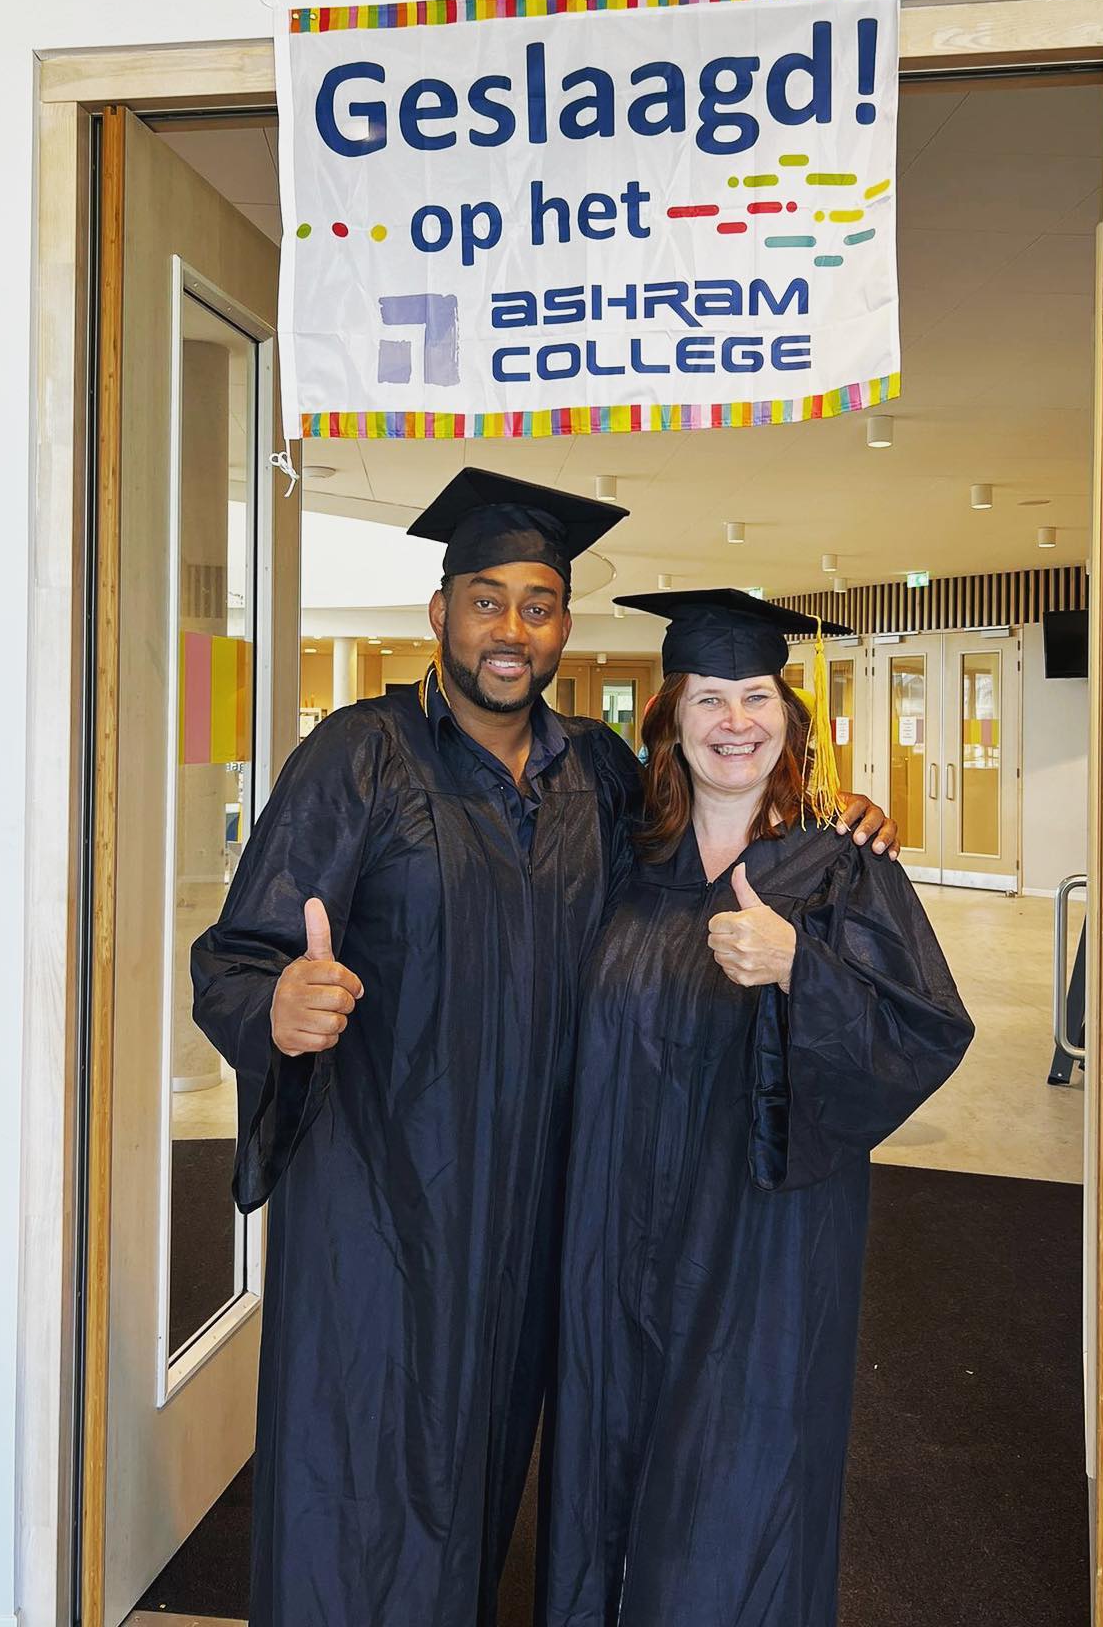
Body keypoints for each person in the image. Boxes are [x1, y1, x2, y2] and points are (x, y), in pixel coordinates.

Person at [191, 477, 900, 1627]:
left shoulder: (602, 775)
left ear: (564, 624)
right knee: (364, 1481)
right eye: (486, 602)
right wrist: (277, 1007)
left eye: (537, 605)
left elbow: (695, 859)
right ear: (440, 616)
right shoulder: (358, 758)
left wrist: (829, 819)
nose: (510, 632)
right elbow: (239, 953)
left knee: (488, 1486)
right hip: (386, 1207)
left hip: (543, 1214)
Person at [545, 589, 973, 1627]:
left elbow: (925, 1032)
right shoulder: (617, 861)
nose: (735, 721)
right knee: (608, 1464)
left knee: (734, 1488)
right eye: (708, 698)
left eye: (755, 697)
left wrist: (801, 973)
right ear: (669, 719)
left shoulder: (840, 869)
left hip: (761, 1245)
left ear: (787, 719)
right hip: (615, 1233)